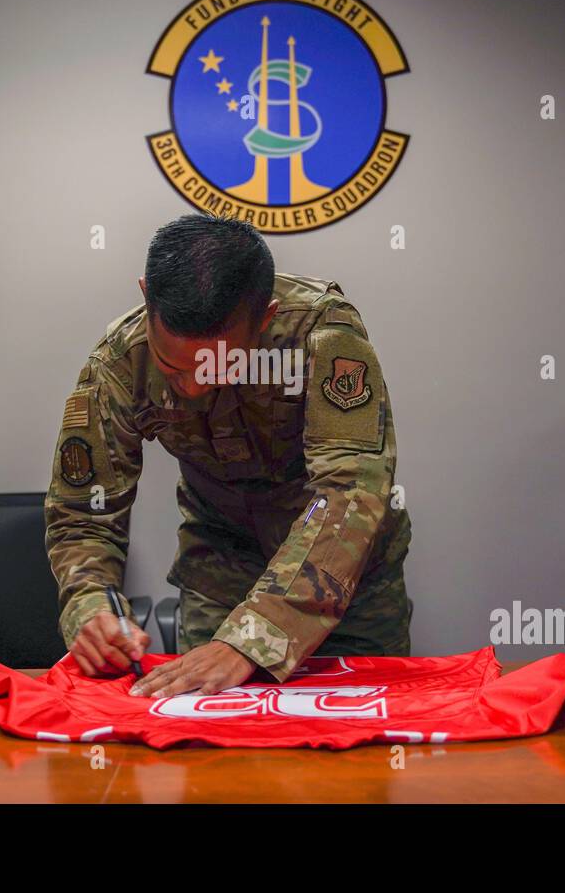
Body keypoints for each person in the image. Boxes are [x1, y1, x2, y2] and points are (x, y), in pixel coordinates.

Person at [46, 213, 412, 697]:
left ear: (266, 317)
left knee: (359, 749)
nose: (195, 385)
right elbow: (83, 512)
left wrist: (253, 640)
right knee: (212, 755)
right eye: (173, 367)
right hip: (221, 577)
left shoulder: (320, 331)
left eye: (219, 364)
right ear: (145, 296)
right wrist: (90, 600)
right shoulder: (121, 361)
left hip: (345, 588)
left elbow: (350, 492)